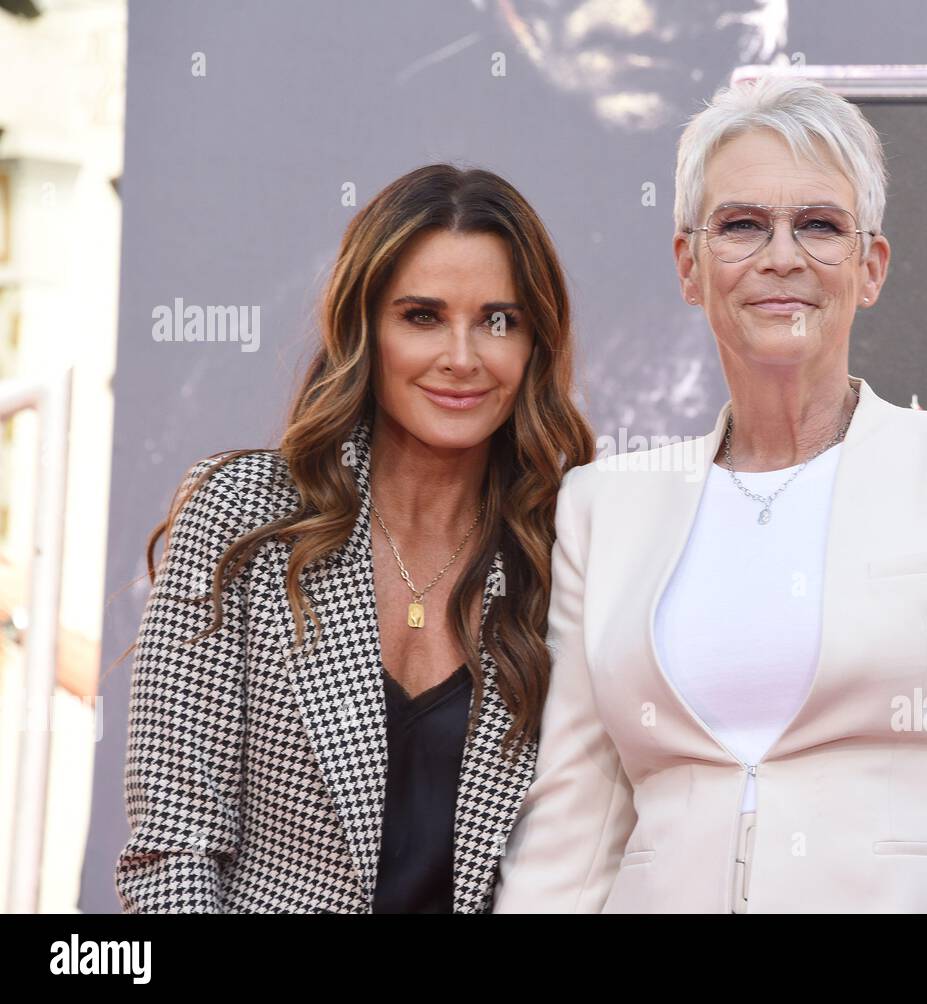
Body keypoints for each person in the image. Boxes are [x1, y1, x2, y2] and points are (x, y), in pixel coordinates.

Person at [494, 76, 927, 913]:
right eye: (742, 225)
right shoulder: (605, 506)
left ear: (870, 265)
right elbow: (574, 821)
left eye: (819, 225)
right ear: (690, 266)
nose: (782, 256)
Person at [115, 164, 592, 913]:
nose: (462, 357)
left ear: (535, 341)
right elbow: (174, 844)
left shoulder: (565, 551)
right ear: (364, 328)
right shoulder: (243, 516)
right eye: (423, 316)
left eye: (499, 320)